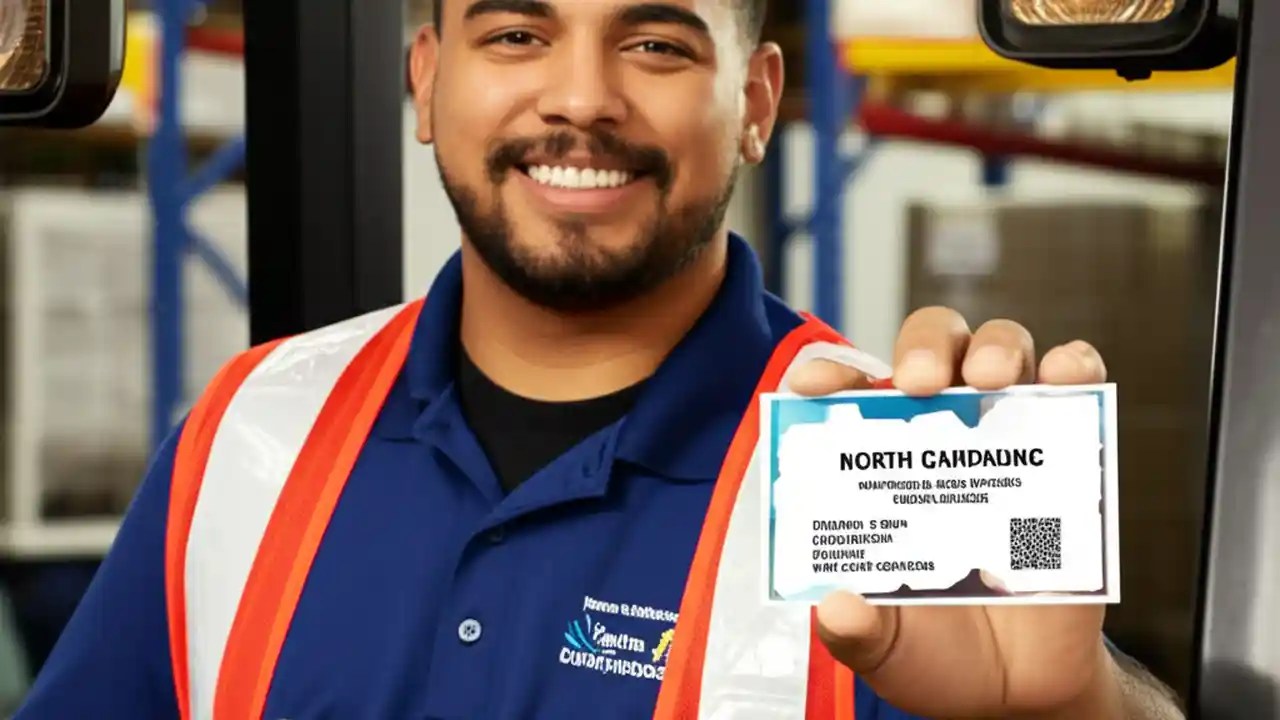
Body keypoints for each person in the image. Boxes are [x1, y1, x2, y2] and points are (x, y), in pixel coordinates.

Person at [16, 0, 1186, 718]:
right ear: (427, 82)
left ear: (754, 102)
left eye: (656, 42)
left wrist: (1077, 710)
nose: (579, 98)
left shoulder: (878, 473)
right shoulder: (251, 429)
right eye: (517, 33)